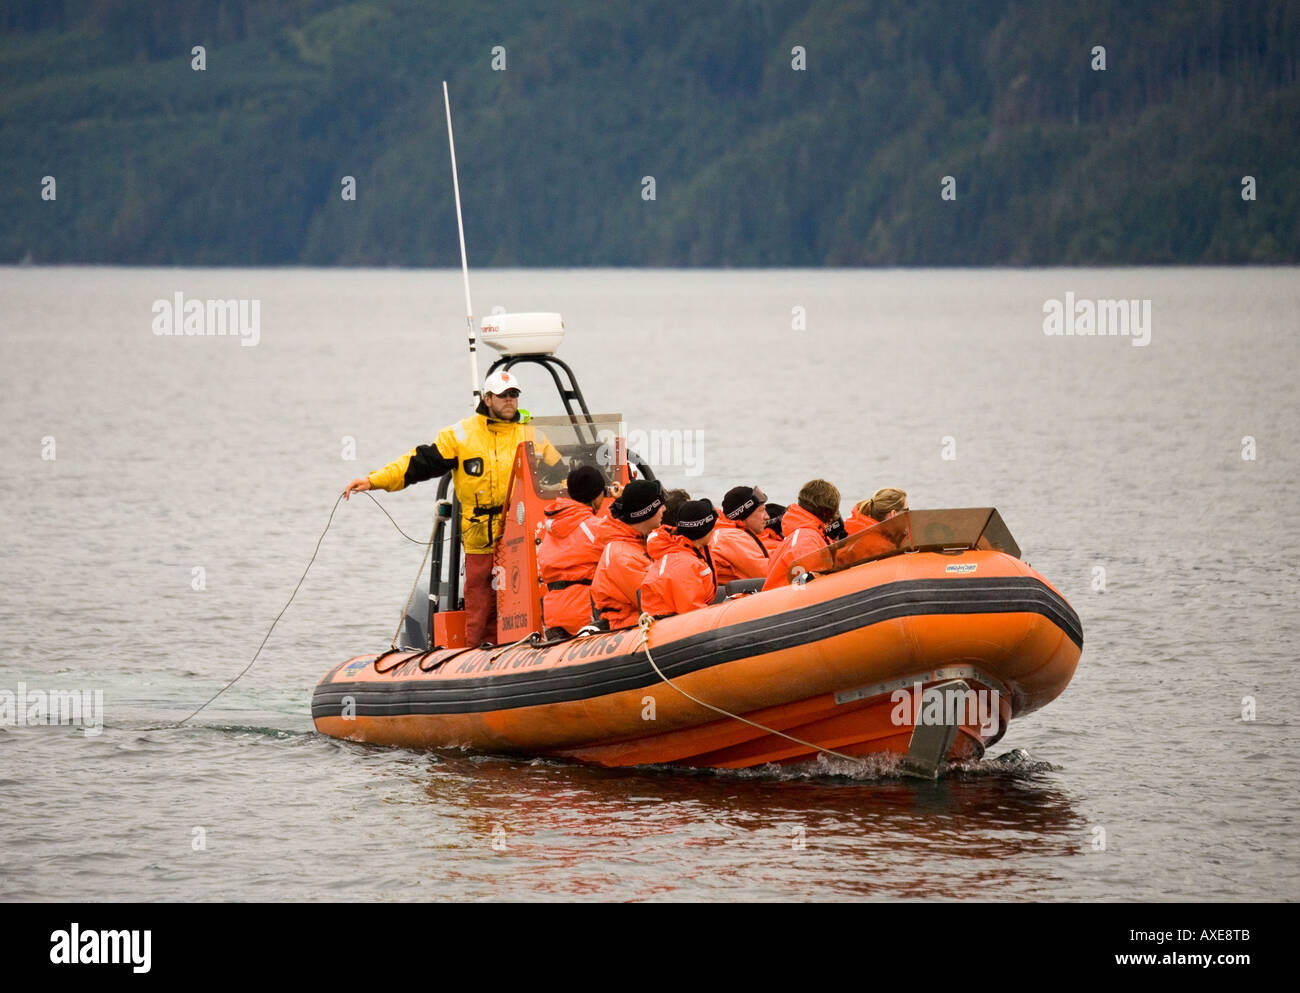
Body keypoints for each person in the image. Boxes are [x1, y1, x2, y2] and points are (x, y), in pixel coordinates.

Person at [343, 368, 562, 646]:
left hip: (521, 536)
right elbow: (417, 464)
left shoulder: (533, 436)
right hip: (479, 537)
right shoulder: (460, 435)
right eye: (502, 395)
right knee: (479, 600)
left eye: (513, 395)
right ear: (488, 398)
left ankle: (525, 646)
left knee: (520, 597)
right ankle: (475, 652)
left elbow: (562, 478)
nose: (509, 400)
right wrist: (374, 480)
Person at [536, 465, 621, 638]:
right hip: (586, 613)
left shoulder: (551, 531)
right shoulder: (595, 528)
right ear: (598, 494)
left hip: (554, 615)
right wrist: (621, 501)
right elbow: (625, 549)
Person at [590, 479, 665, 630]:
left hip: (642, 625)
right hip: (629, 629)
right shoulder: (621, 556)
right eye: (660, 505)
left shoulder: (642, 544)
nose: (664, 509)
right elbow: (654, 601)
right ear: (646, 511)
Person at [640, 498, 718, 618]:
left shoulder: (691, 551)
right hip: (670, 627)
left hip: (683, 617)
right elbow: (692, 614)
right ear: (704, 529)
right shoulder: (682, 563)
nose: (714, 530)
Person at [762, 479, 841, 590]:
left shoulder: (814, 534)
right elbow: (810, 585)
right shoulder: (806, 539)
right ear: (828, 510)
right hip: (783, 602)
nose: (837, 516)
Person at [710, 485, 771, 584]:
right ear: (744, 515)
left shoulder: (728, 533)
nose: (767, 517)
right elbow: (767, 572)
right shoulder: (730, 537)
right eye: (761, 510)